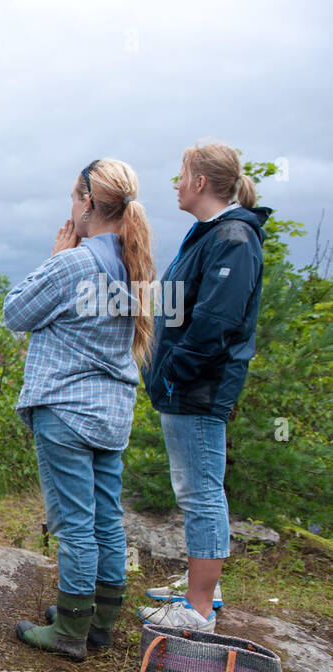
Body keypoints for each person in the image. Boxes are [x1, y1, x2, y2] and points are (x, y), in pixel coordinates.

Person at [3, 158, 154, 660]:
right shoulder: (134, 265)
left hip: (65, 411)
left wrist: (55, 256)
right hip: (111, 415)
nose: (71, 207)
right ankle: (100, 621)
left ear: (87, 202)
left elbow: (15, 313)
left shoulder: (75, 262)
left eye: (74, 198)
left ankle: (68, 633)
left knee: (73, 523)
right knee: (107, 519)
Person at [138, 141, 271, 633]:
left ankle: (196, 608)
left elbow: (216, 320)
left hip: (197, 387)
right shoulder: (211, 234)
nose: (174, 183)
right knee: (195, 489)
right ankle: (201, 586)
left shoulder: (233, 238)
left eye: (180, 174)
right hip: (187, 385)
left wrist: (174, 370)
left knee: (201, 494)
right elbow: (180, 300)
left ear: (199, 183)